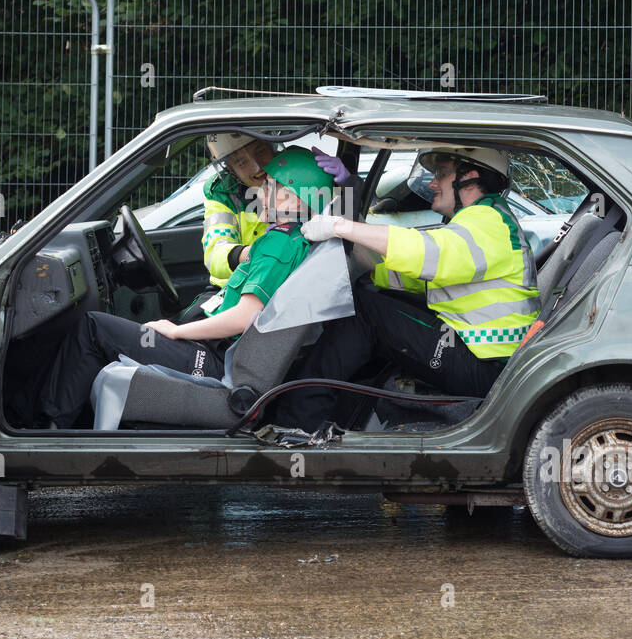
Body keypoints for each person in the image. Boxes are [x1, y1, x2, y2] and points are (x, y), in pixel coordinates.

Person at [35, 146, 337, 428]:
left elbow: (243, 317)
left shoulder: (277, 246)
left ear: (296, 200)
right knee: (108, 332)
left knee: (93, 329)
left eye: (271, 186)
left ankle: (46, 429)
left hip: (216, 360)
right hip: (218, 349)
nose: (261, 192)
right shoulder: (294, 238)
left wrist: (176, 331)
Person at [282, 147, 540, 430]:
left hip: (487, 366)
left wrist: (341, 227)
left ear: (470, 177)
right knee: (370, 305)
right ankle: (334, 416)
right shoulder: (484, 218)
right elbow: (418, 275)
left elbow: (425, 253)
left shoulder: (487, 220)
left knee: (365, 311)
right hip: (485, 357)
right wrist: (352, 244)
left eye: (441, 174)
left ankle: (296, 425)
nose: (432, 183)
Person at [188, 132, 353, 316]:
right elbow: (215, 253)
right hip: (234, 289)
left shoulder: (297, 172)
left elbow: (344, 226)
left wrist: (346, 188)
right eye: (241, 162)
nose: (257, 167)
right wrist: (262, 253)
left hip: (296, 289)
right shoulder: (222, 196)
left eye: (260, 151)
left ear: (273, 148)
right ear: (231, 170)